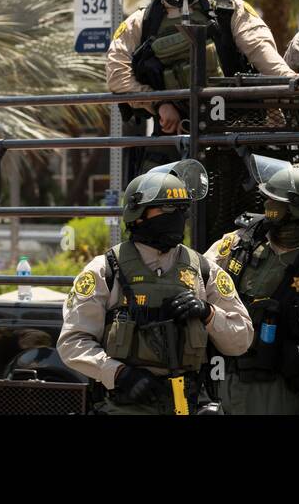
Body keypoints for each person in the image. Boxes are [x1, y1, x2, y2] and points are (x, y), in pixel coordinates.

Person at [57, 165, 253, 414]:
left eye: (183, 209)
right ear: (138, 213)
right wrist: (118, 373)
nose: (178, 216)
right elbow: (72, 343)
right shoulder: (105, 270)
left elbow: (241, 341)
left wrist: (209, 314)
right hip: (125, 403)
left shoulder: (205, 271)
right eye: (168, 208)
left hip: (187, 402)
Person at [107, 0, 297, 176]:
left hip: (233, 130)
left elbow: (262, 52)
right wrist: (159, 103)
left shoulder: (231, 9)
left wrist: (293, 80)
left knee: (251, 200)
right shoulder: (141, 22)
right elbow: (116, 74)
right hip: (172, 133)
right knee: (155, 202)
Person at [204, 167, 299, 415]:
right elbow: (200, 277)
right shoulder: (239, 243)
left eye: (276, 201)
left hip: (277, 391)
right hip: (221, 379)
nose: (267, 204)